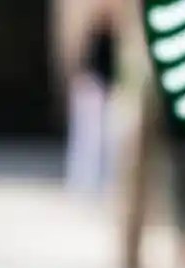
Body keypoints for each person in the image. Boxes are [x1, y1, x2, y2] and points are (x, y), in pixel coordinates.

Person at [66, 10, 118, 194]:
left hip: (101, 89)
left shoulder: (107, 38)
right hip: (94, 88)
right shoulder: (98, 38)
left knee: (100, 139)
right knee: (88, 137)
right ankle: (83, 181)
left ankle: (95, 181)